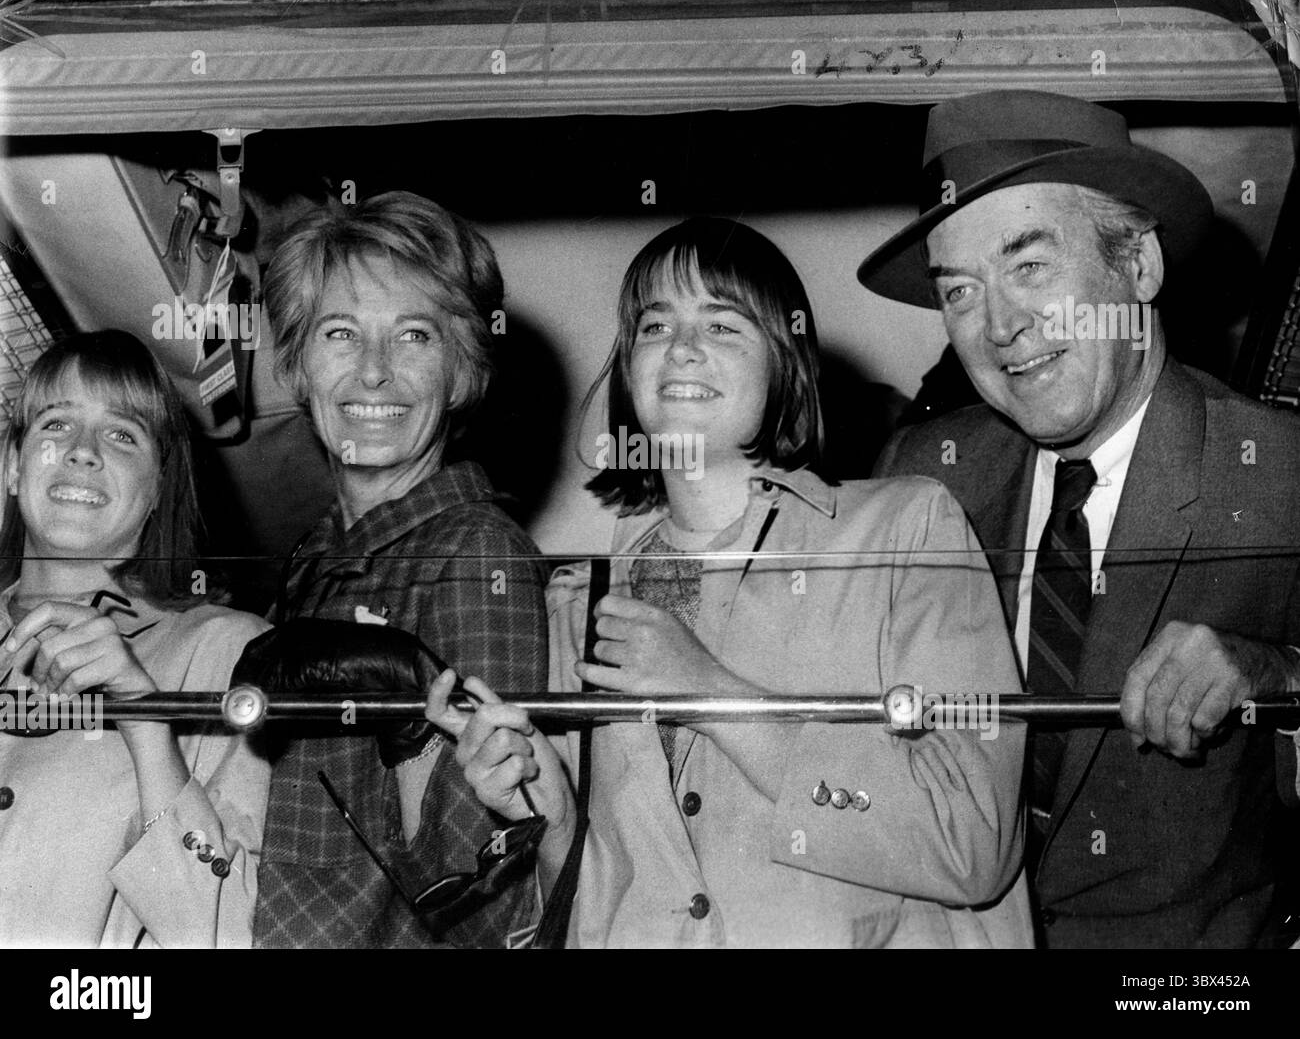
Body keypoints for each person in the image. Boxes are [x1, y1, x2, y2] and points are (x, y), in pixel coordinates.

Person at [429, 216, 1031, 948]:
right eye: (654, 326)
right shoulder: (582, 600)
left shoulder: (906, 530)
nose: (681, 348)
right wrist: (548, 812)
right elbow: (595, 907)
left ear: (785, 363)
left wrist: (717, 697)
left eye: (721, 326)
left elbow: (974, 841)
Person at [859, 89, 1300, 948]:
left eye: (1029, 266)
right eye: (960, 292)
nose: (1000, 327)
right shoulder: (923, 474)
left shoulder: (1281, 471)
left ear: (1138, 267)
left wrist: (1272, 672)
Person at [252, 190, 548, 948]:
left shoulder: (477, 551)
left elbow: (489, 898)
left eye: (413, 335)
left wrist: (414, 737)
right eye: (340, 333)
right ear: (296, 364)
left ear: (461, 372)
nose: (374, 373)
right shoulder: (311, 561)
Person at [0, 330, 270, 948]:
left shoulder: (228, 653)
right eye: (56, 424)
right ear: (15, 467)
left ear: (157, 492)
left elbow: (224, 932)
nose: (84, 452)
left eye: (123, 435)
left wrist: (145, 720)